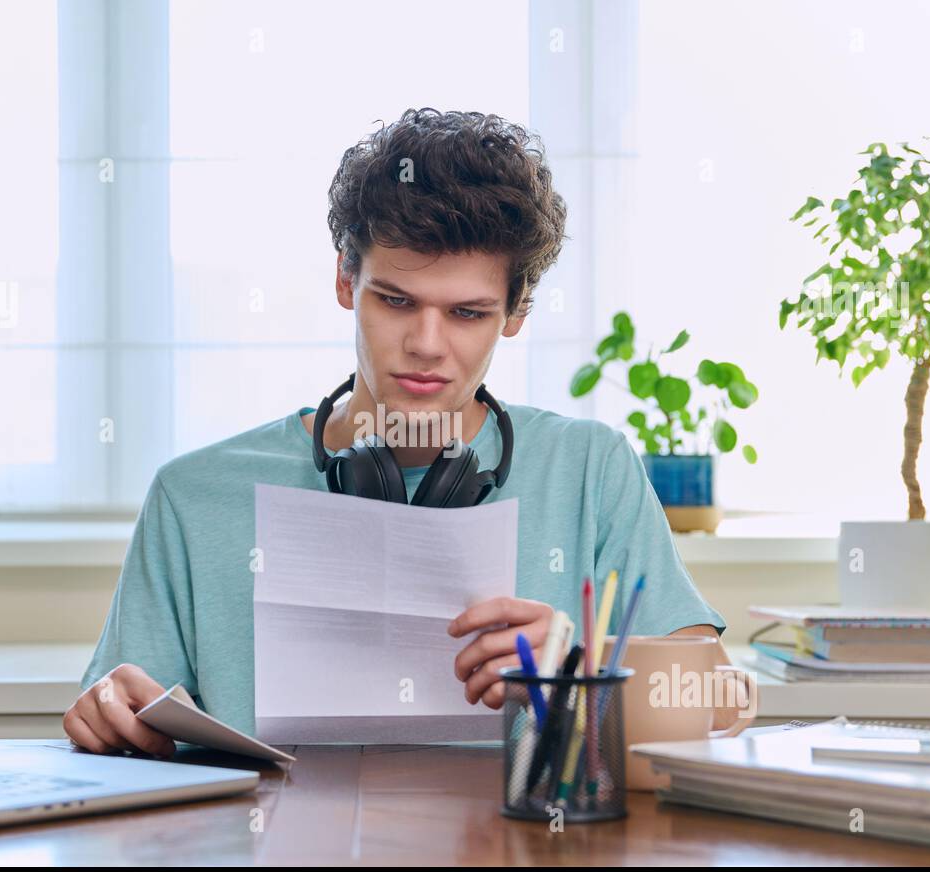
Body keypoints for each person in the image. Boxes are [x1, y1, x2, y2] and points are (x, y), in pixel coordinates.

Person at [65, 108, 725, 757]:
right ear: (346, 280)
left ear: (517, 312)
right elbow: (127, 720)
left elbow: (714, 703)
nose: (427, 345)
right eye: (396, 300)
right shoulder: (192, 496)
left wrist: (583, 664)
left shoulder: (591, 470)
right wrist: (109, 714)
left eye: (467, 313)